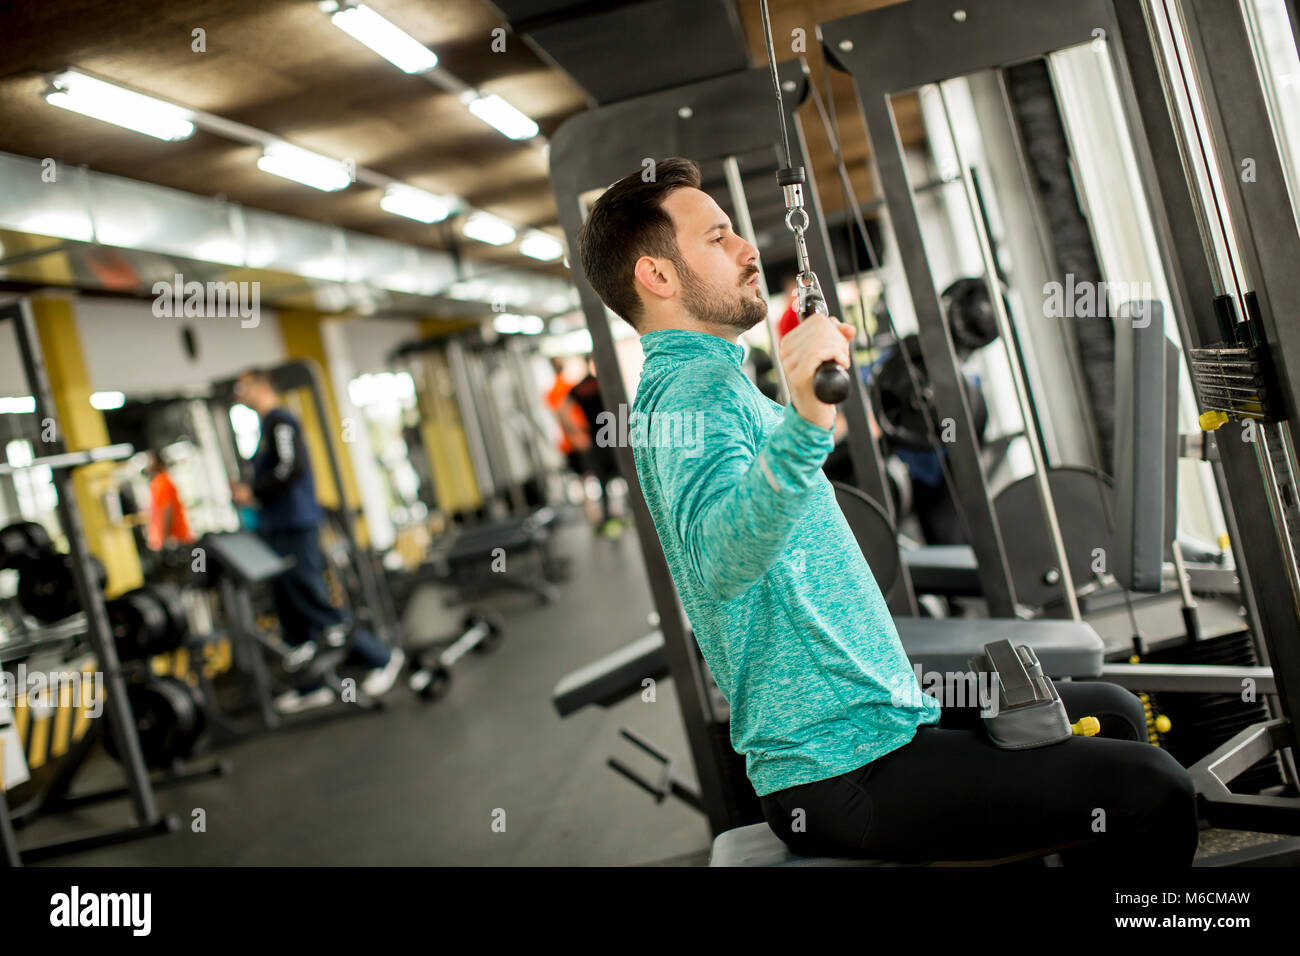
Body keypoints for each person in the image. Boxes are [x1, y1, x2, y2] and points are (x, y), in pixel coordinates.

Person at [573, 156, 1197, 865]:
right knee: (1156, 789)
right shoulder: (689, 394)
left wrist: (804, 414)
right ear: (657, 276)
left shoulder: (716, 378)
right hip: (844, 771)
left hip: (876, 714)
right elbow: (721, 560)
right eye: (717, 238)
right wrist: (807, 416)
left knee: (1109, 711)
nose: (748, 248)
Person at [230, 368, 404, 714]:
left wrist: (254, 491)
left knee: (311, 599)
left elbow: (289, 468)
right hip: (276, 527)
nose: (239, 393)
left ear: (263, 386)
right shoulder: (266, 428)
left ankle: (381, 657)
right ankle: (311, 684)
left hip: (295, 525)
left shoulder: (280, 422)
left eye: (244, 387)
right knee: (288, 609)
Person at [562, 357, 625, 538]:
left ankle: (609, 517)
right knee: (620, 477)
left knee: (603, 482)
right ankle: (617, 515)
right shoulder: (599, 383)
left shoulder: (579, 387)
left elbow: (563, 410)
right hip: (610, 438)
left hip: (596, 440)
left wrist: (576, 433)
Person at [146, 450, 193, 551]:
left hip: (175, 539)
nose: (148, 465)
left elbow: (167, 509)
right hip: (171, 539)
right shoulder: (159, 482)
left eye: (150, 461)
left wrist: (164, 538)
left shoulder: (162, 482)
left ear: (157, 463)